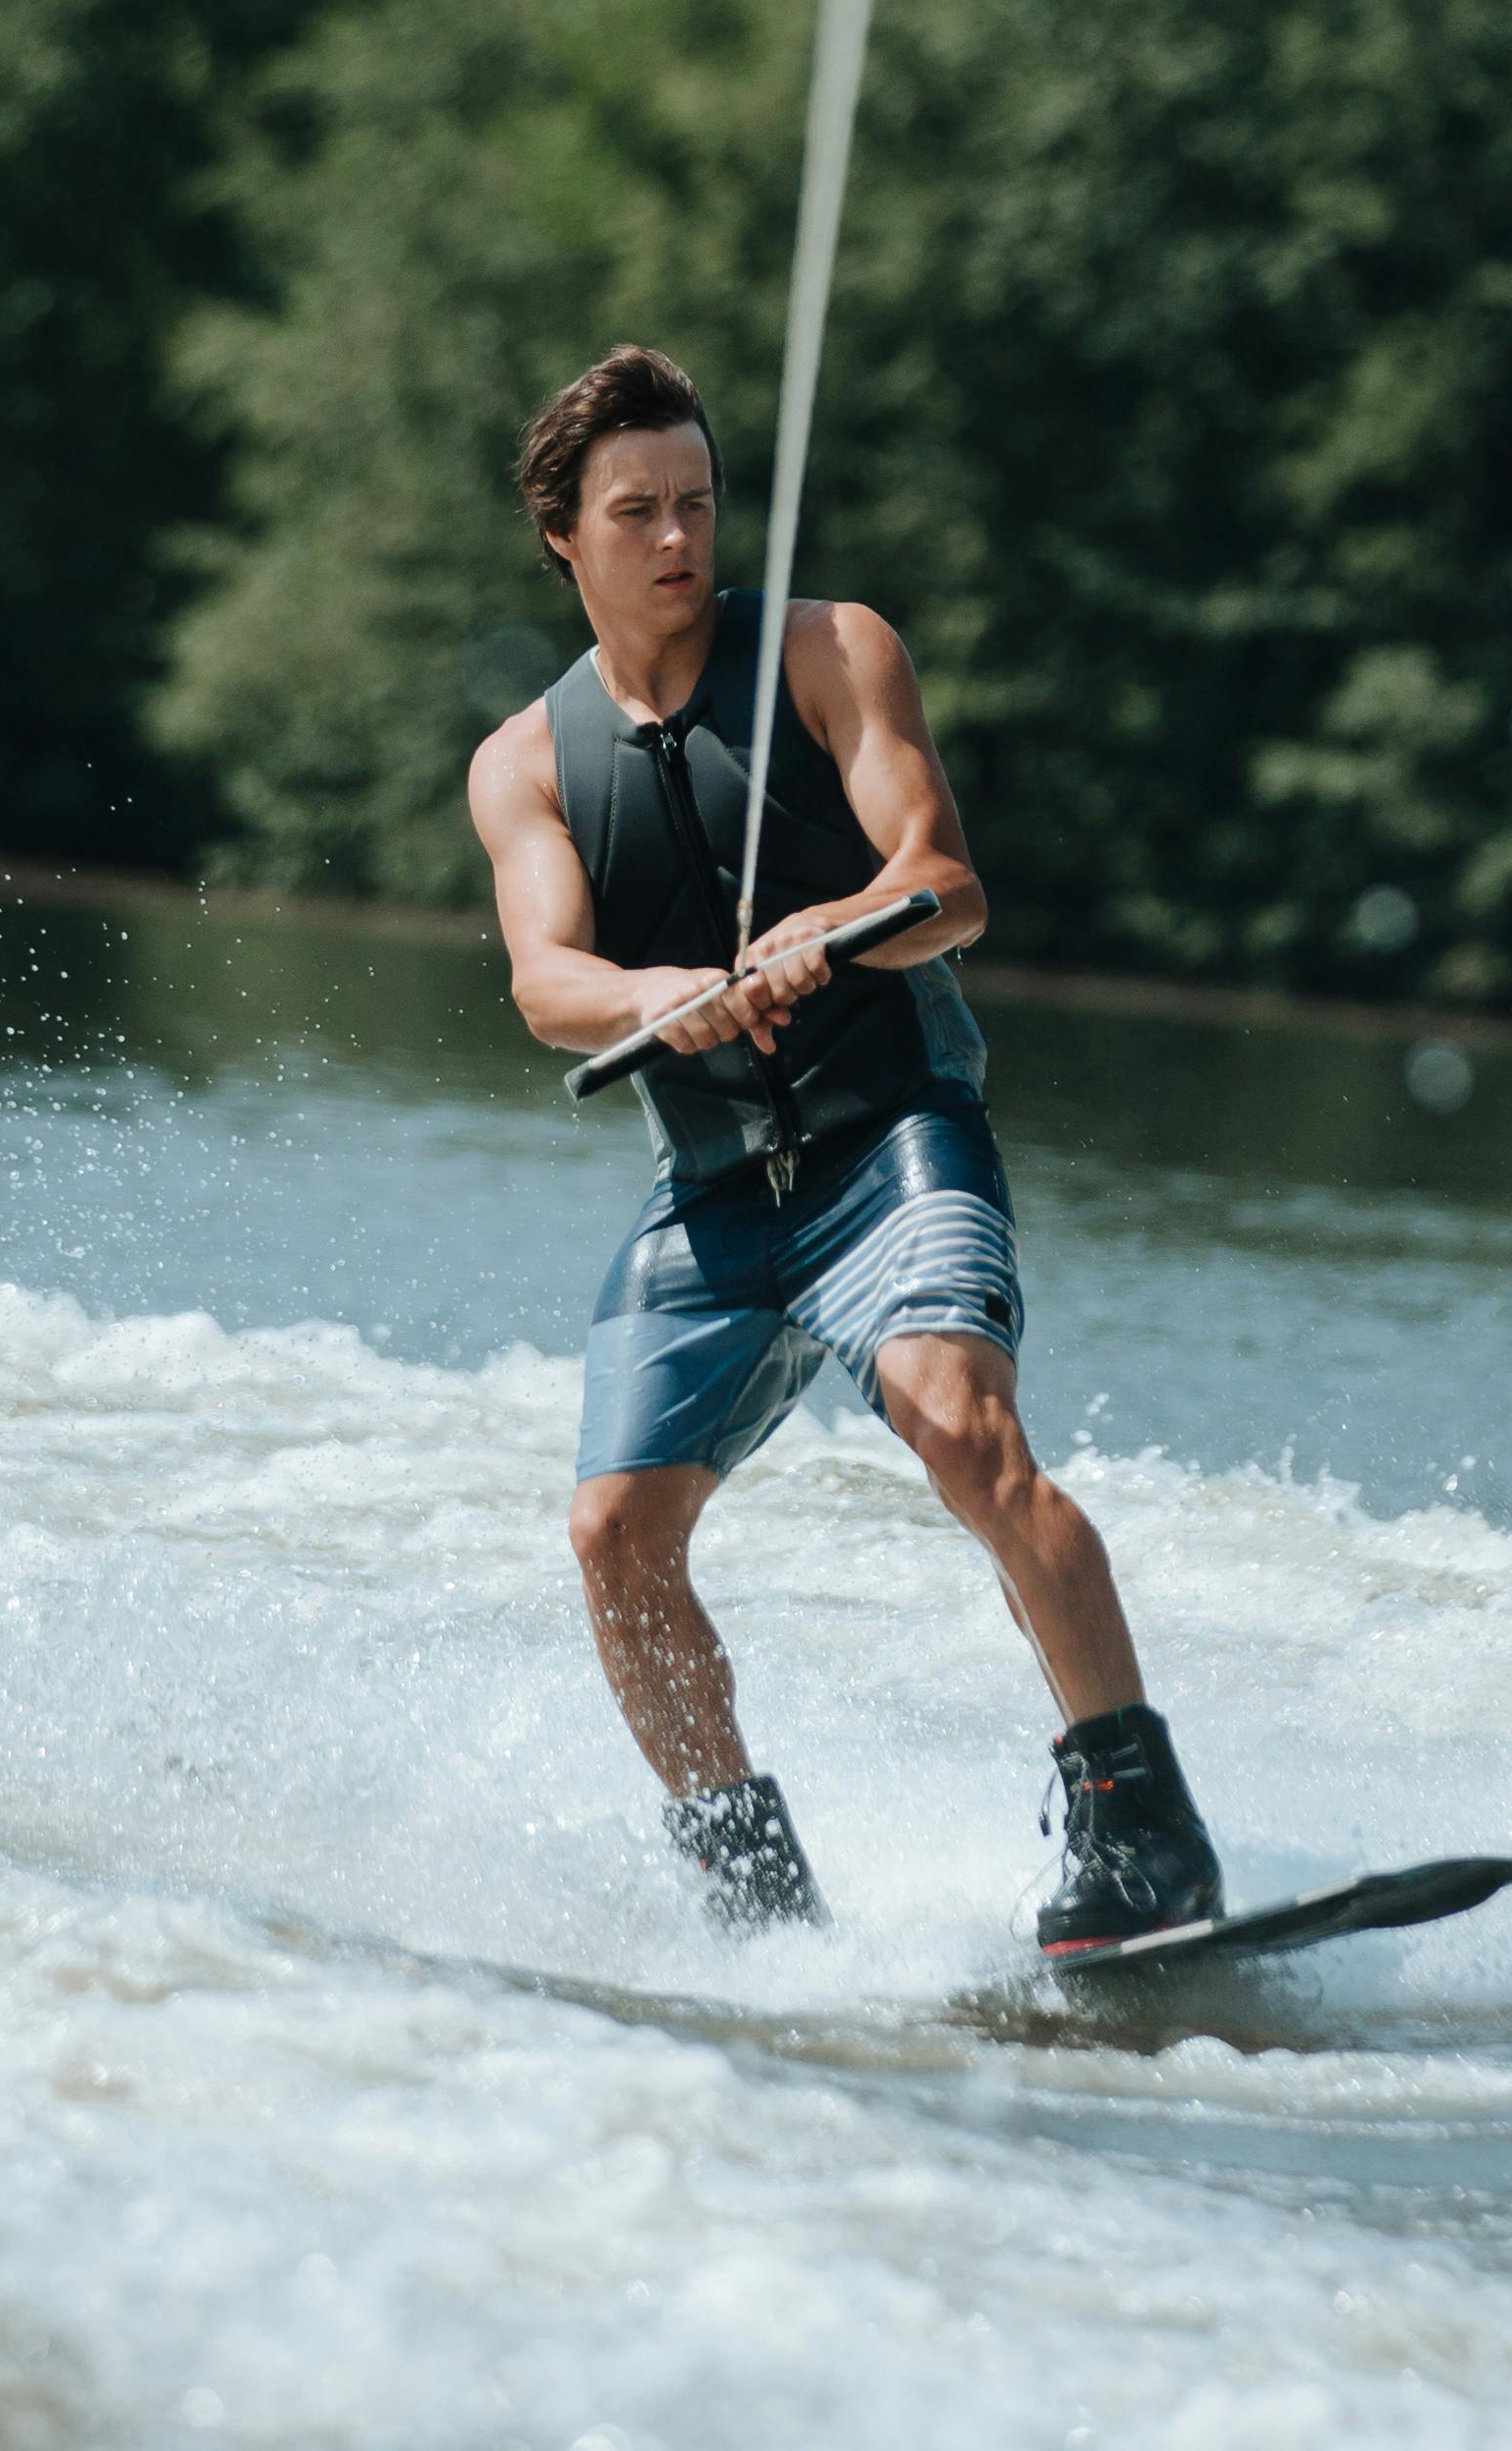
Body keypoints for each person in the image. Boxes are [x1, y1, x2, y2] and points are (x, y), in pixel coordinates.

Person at [465, 343, 1224, 1951]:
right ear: (564, 538)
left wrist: (835, 926)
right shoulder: (524, 762)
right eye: (637, 513)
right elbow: (546, 981)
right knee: (613, 1536)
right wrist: (665, 995)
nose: (679, 539)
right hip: (718, 1192)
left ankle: (1139, 1826)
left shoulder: (829, 652)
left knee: (962, 1427)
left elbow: (949, 882)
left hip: (893, 1143)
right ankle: (758, 1903)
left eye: (698, 503)